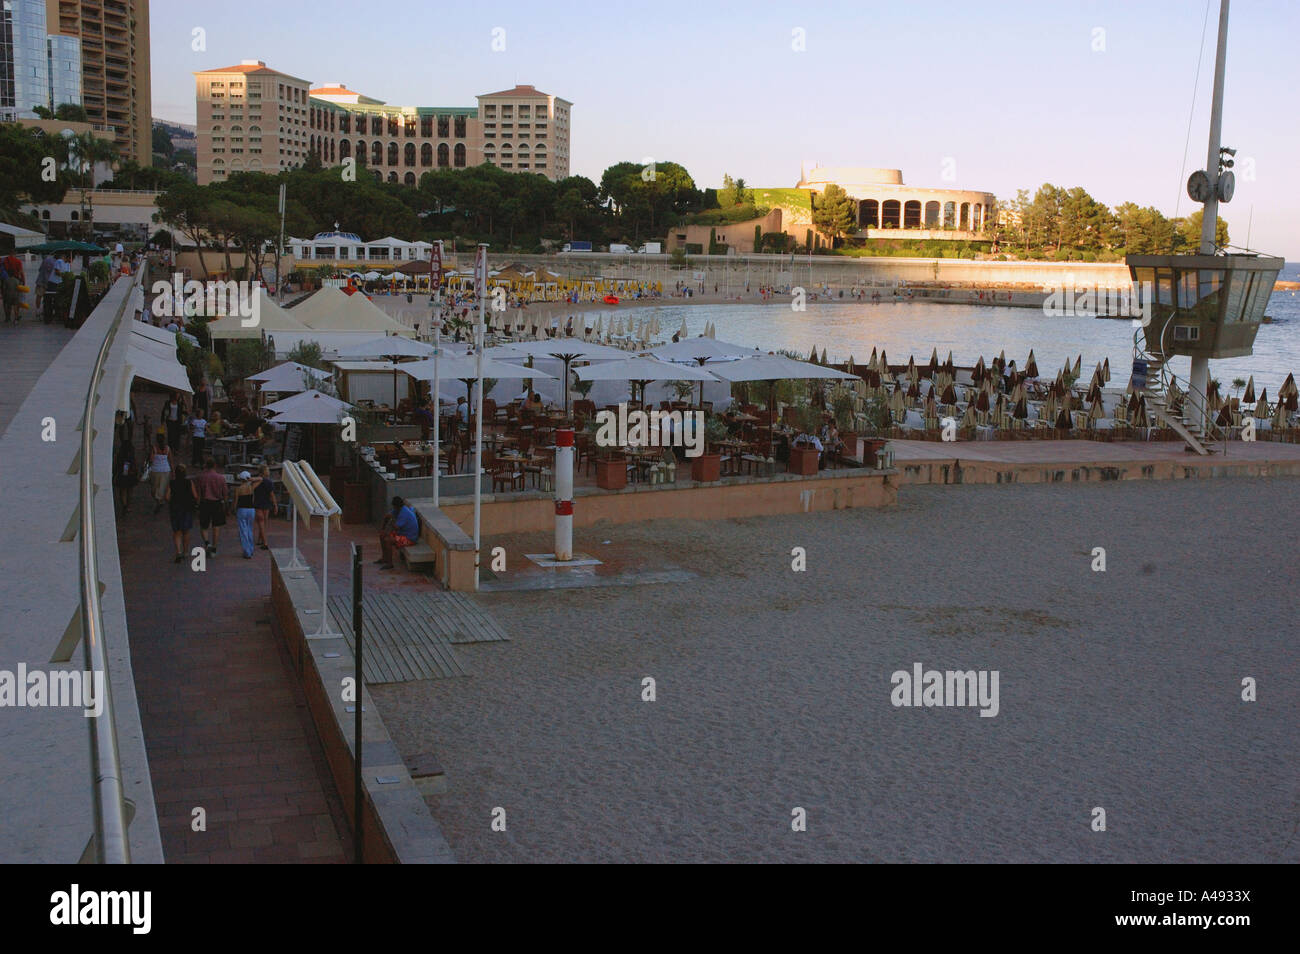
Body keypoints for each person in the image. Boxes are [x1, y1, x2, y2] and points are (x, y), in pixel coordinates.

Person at [194, 457, 228, 554]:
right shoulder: (221, 478)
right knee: (216, 525)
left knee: (204, 525)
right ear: (215, 465)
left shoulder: (201, 477)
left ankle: (207, 542)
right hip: (217, 503)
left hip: (205, 502)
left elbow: (199, 492)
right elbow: (225, 492)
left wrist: (197, 504)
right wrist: (225, 503)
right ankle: (214, 546)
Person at [376, 496, 419, 569]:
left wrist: (392, 521)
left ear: (397, 506)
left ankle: (390, 564)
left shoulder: (404, 513)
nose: (393, 508)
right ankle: (384, 558)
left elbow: (396, 527)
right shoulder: (398, 510)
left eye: (394, 506)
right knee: (382, 535)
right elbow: (387, 516)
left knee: (388, 540)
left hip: (410, 538)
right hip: (402, 533)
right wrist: (382, 529)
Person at [166, 463, 197, 563]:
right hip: (187, 508)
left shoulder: (172, 483)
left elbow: (167, 497)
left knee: (177, 531)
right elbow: (195, 496)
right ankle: (185, 551)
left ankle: (178, 552)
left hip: (175, 509)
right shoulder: (189, 482)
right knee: (186, 531)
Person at [232, 469, 260, 559]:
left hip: (242, 510)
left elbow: (235, 502)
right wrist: (252, 479)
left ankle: (247, 551)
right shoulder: (251, 487)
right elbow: (261, 479)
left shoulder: (238, 489)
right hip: (251, 510)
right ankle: (251, 549)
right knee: (249, 529)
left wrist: (233, 509)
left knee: (243, 530)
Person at [252, 462, 276, 551]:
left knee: (261, 522)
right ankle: (265, 542)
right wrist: (275, 505)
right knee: (263, 523)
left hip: (258, 503)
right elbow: (272, 495)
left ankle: (260, 539)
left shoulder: (256, 481)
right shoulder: (269, 482)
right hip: (266, 504)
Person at [113, 436, 139, 515]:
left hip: (122, 474)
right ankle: (127, 505)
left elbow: (115, 465)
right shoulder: (131, 456)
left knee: (123, 491)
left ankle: (124, 505)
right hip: (130, 475)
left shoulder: (119, 455)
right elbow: (135, 465)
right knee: (129, 491)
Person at [147, 435, 172, 512]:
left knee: (154, 488)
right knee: (162, 487)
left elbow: (151, 459)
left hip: (155, 470)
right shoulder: (167, 448)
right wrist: (173, 471)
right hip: (165, 470)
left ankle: (158, 501)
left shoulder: (154, 448)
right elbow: (171, 460)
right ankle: (160, 500)